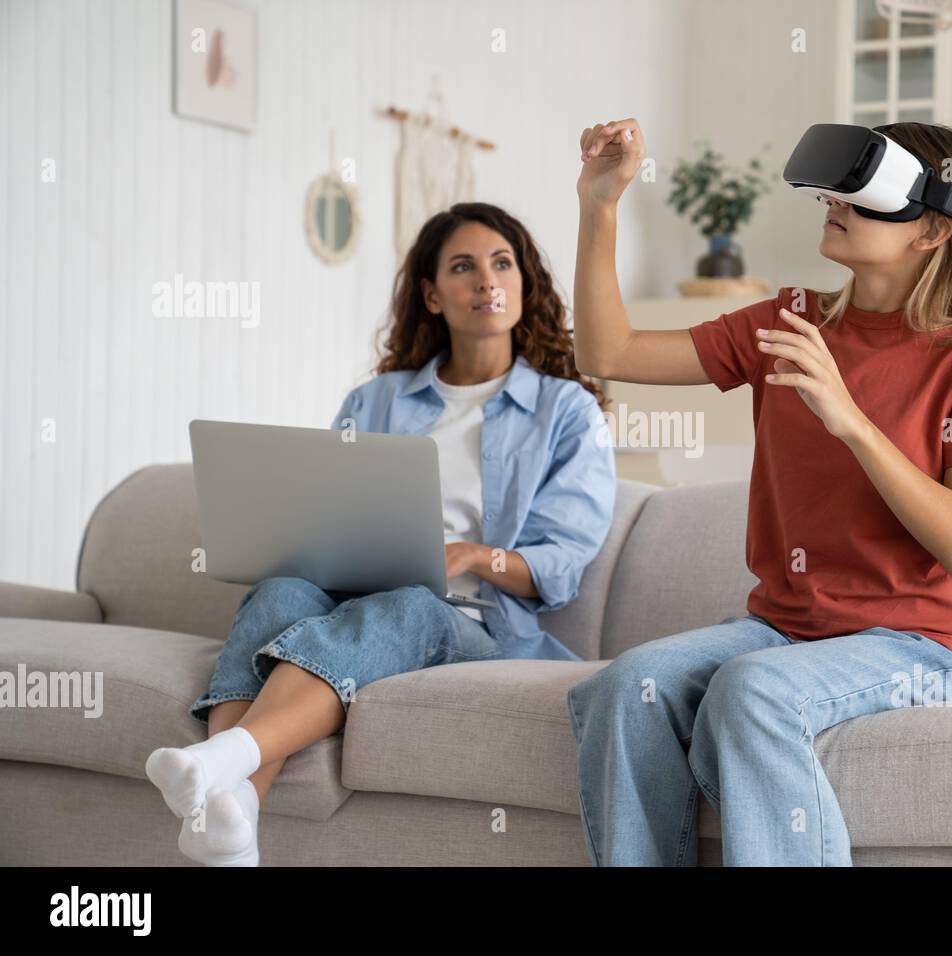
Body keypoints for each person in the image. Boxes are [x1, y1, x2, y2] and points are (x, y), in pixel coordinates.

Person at [566, 118, 952, 866]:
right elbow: (607, 351)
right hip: (786, 627)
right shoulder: (790, 322)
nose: (834, 201)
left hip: (918, 643)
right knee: (628, 687)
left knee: (751, 692)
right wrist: (600, 205)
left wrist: (850, 420)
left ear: (932, 233)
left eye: (865, 191)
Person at [146, 202, 616, 866]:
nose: (487, 280)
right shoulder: (377, 401)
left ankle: (217, 761)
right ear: (431, 294)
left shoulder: (567, 410)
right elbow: (327, 508)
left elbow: (562, 564)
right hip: (351, 595)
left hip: (475, 620)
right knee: (280, 589)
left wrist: (473, 556)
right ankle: (232, 809)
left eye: (502, 263)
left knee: (411, 603)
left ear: (524, 283)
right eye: (463, 267)